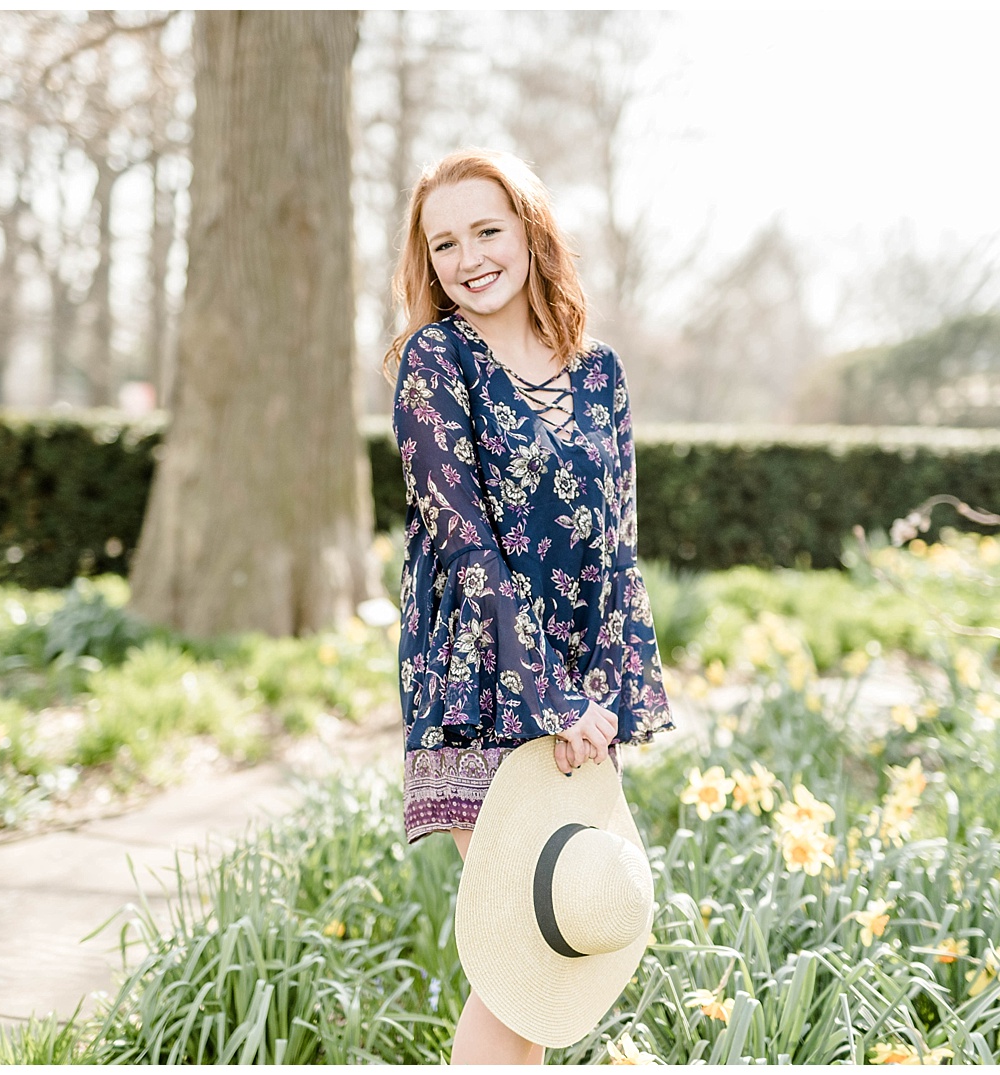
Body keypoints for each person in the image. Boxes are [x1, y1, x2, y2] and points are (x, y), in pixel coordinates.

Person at [382, 147, 675, 1065]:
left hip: (578, 702)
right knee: (522, 953)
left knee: (545, 963)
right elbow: (466, 545)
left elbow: (617, 550)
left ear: (530, 231)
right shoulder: (436, 363)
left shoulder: (601, 376)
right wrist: (550, 697)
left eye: (487, 230)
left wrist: (605, 701)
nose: (468, 257)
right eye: (444, 243)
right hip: (477, 686)